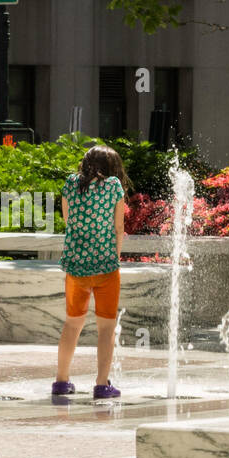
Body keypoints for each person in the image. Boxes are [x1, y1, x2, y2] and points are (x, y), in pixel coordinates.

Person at [52, 145, 130, 400]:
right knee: (106, 328)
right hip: (106, 266)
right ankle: (101, 384)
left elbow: (67, 219)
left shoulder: (70, 184)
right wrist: (114, 256)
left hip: (76, 267)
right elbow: (119, 227)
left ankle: (61, 381)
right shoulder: (113, 186)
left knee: (72, 323)